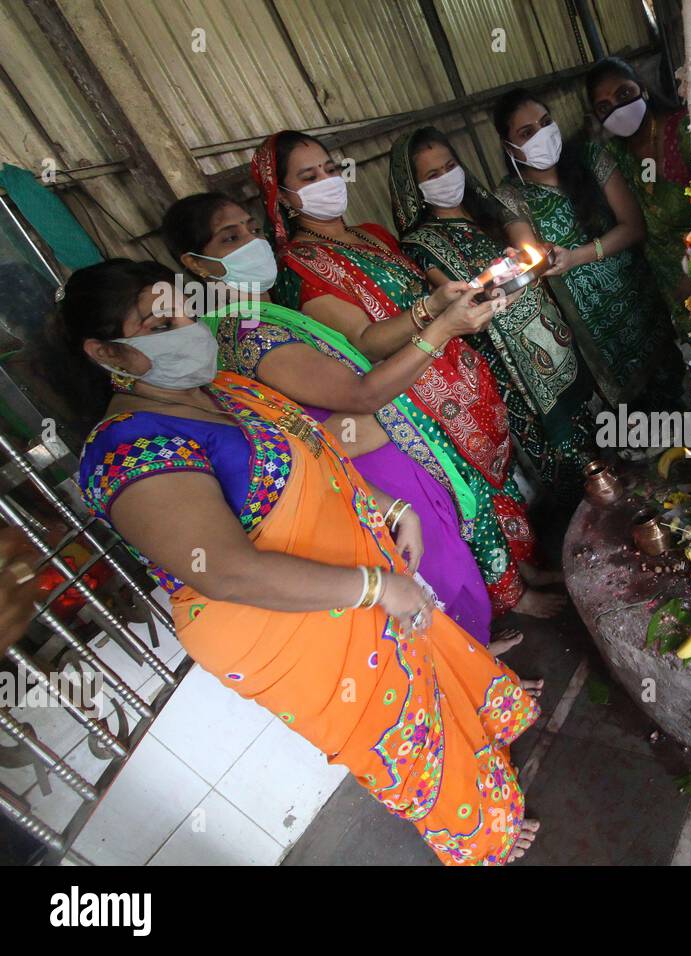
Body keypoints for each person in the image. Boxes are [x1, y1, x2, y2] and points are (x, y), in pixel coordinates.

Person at [61, 259, 540, 864]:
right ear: (107, 354)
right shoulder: (128, 446)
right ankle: (476, 831)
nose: (187, 327)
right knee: (398, 734)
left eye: (186, 309)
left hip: (359, 581)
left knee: (432, 678)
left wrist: (390, 509)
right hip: (288, 626)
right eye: (160, 325)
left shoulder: (226, 391)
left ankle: (484, 766)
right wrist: (376, 587)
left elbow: (319, 457)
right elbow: (227, 570)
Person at [160, 191, 521, 653]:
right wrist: (444, 327)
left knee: (442, 566)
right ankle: (476, 680)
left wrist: (434, 311)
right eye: (231, 238)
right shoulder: (246, 332)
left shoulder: (264, 316)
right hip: (376, 472)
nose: (253, 242)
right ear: (198, 264)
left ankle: (479, 662)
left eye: (252, 228)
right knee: (436, 575)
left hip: (385, 459)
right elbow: (361, 393)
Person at [250, 131, 565, 619]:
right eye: (308, 177)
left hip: (457, 371)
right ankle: (512, 597)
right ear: (284, 197)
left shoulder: (372, 234)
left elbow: (424, 298)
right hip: (412, 393)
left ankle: (526, 567)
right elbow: (365, 339)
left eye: (331, 169)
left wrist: (461, 299)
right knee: (468, 497)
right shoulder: (299, 264)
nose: (327, 181)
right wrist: (431, 313)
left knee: (497, 481)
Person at [388, 127, 598, 507]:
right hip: (508, 364)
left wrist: (534, 253)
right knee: (561, 455)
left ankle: (614, 481)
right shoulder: (421, 243)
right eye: (432, 175)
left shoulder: (484, 208)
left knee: (589, 423)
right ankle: (584, 517)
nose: (446, 177)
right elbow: (463, 301)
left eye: (450, 166)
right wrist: (505, 278)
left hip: (548, 335)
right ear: (414, 188)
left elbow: (522, 240)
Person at [492, 88, 684, 412]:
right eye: (527, 133)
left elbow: (634, 226)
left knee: (673, 382)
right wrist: (540, 255)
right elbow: (528, 247)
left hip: (636, 297)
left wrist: (577, 256)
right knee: (635, 413)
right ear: (509, 147)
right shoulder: (511, 196)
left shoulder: (591, 158)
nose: (541, 135)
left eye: (545, 122)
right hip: (590, 326)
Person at [586, 57, 691, 314]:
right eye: (604, 107)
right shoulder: (615, 156)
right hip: (671, 293)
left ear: (642, 88)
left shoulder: (683, 132)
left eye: (624, 93)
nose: (617, 108)